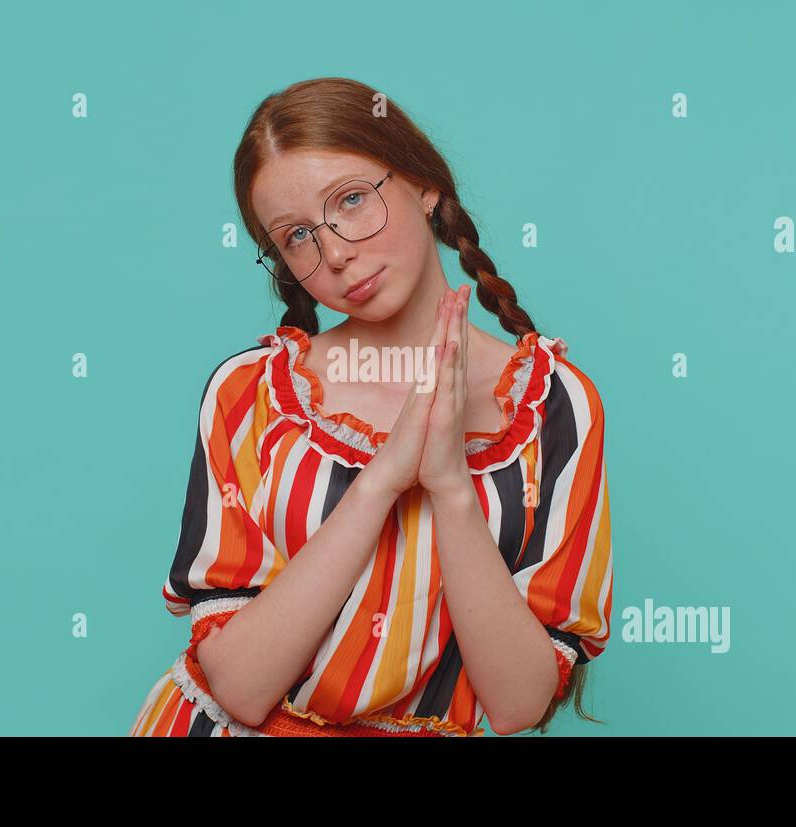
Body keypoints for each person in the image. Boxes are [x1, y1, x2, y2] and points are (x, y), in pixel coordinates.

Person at [129, 77, 612, 737]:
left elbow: (520, 704)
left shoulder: (559, 407)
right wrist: (383, 478)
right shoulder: (252, 393)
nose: (333, 254)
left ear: (422, 184)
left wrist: (448, 483)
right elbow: (239, 688)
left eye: (352, 200)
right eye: (296, 236)